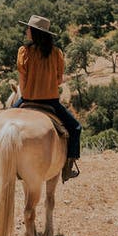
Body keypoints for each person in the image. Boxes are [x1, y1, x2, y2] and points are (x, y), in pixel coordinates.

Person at [13, 14, 82, 182]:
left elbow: (22, 81)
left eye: (29, 28)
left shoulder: (24, 52)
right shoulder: (56, 53)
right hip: (50, 101)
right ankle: (68, 167)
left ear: (35, 32)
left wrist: (30, 90)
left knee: (5, 123)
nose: (26, 30)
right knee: (75, 128)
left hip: (27, 100)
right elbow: (59, 81)